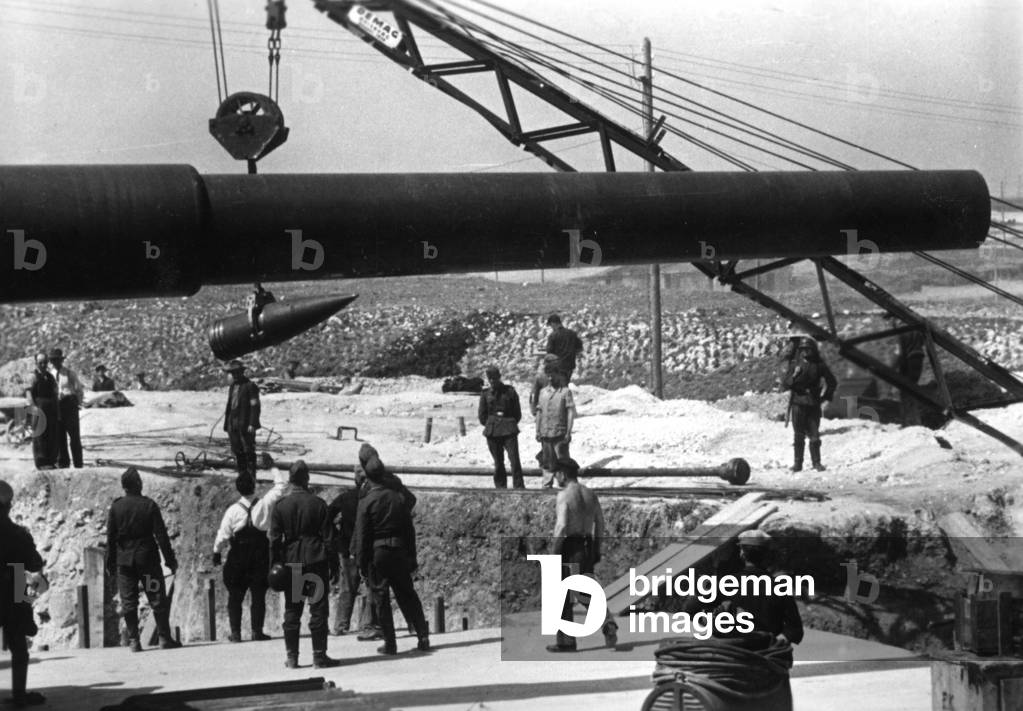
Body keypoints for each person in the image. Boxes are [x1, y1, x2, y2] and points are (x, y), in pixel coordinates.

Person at [355, 454, 430, 655]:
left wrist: (361, 563)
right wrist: (412, 556)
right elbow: (409, 529)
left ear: (368, 477)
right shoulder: (398, 498)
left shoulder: (366, 501)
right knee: (408, 594)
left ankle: (390, 643)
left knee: (381, 597)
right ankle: (423, 635)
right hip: (399, 551)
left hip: (377, 553)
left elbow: (361, 535)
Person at [269, 460, 340, 668]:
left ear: (290, 481)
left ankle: (292, 657)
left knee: (292, 610)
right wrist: (334, 565)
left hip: (293, 565)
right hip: (316, 563)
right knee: (318, 610)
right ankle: (319, 656)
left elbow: (274, 540)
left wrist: (274, 566)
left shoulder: (281, 506)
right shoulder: (318, 504)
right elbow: (329, 540)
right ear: (307, 479)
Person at [105, 467, 181, 652]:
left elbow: (110, 538)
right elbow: (161, 536)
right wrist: (170, 560)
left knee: (129, 601)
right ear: (138, 484)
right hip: (146, 562)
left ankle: (134, 641)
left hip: (125, 564)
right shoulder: (149, 505)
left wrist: (110, 563)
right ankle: (163, 637)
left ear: (124, 487)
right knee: (156, 596)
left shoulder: (116, 507)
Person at [545, 457, 617, 653]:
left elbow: (561, 526)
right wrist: (597, 549)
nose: (555, 477)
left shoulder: (565, 496)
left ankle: (566, 641)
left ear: (562, 474)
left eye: (556, 473)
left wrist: (554, 552)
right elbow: (600, 523)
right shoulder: (590, 494)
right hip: (587, 544)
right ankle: (607, 622)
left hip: (570, 546)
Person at [0, 480, 47, 708]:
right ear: (9, 506)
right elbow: (35, 562)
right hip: (14, 586)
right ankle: (19, 694)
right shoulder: (18, 534)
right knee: (19, 644)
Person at [213, 475, 271, 643]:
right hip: (259, 555)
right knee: (259, 595)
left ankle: (236, 633)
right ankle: (257, 631)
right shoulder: (263, 505)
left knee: (235, 595)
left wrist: (216, 552)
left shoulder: (232, 510)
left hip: (238, 556)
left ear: (238, 489)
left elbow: (223, 534)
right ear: (254, 486)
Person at [326, 465, 374, 636]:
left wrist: (334, 535)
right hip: (369, 548)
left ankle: (340, 625)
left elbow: (327, 514)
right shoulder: (372, 498)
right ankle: (367, 624)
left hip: (346, 547)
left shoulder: (345, 498)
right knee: (371, 586)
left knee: (347, 587)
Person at [783, 338, 837, 472]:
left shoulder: (819, 365)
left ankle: (816, 463)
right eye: (803, 349)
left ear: (813, 350)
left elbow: (832, 382)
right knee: (798, 435)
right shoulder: (795, 364)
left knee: (814, 437)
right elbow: (786, 384)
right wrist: (794, 375)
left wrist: (825, 397)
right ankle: (798, 464)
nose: (806, 352)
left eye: (808, 349)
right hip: (798, 404)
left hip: (813, 403)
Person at [478, 366, 524, 489]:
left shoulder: (510, 392)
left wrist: (509, 423)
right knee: (498, 462)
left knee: (515, 461)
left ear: (499, 377)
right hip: (492, 432)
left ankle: (518, 487)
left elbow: (517, 414)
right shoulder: (485, 394)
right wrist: (491, 424)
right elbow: (482, 416)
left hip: (509, 430)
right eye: (490, 379)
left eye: (494, 378)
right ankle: (500, 487)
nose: (492, 381)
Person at [535, 370, 576, 488]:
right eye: (549, 375)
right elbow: (539, 412)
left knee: (563, 461)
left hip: (560, 433)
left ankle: (565, 485)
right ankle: (547, 486)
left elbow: (570, 413)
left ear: (559, 376)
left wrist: (568, 432)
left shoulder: (565, 392)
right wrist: (537, 430)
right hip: (545, 433)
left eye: (553, 375)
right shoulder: (542, 392)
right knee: (546, 461)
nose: (551, 378)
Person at [223, 359, 261, 482]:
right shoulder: (232, 386)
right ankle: (242, 475)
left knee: (248, 450)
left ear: (242, 372)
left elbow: (255, 406)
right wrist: (227, 423)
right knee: (237, 450)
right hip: (232, 422)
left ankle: (251, 477)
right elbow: (229, 405)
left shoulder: (250, 386)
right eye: (232, 373)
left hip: (245, 423)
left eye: (236, 373)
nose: (235, 376)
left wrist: (252, 423)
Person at [48, 347, 85, 469]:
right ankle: (64, 463)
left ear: (61, 360)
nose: (56, 362)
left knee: (74, 437)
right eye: (53, 360)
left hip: (69, 406)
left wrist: (77, 403)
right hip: (57, 407)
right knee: (60, 436)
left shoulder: (69, 373)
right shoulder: (49, 375)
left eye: (58, 360)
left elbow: (79, 390)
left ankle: (78, 463)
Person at [24, 352, 58, 470]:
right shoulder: (32, 376)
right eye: (40, 363)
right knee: (40, 435)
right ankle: (41, 462)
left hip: (50, 408)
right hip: (38, 407)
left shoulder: (50, 376)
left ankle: (51, 461)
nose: (43, 365)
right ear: (36, 363)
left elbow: (54, 393)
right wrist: (34, 408)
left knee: (51, 434)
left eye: (45, 362)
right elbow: (29, 394)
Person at [545, 314, 583, 383]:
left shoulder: (553, 335)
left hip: (558, 366)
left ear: (553, 323)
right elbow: (579, 348)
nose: (551, 328)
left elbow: (549, 351)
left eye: (550, 325)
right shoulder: (572, 333)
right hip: (570, 365)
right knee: (565, 383)